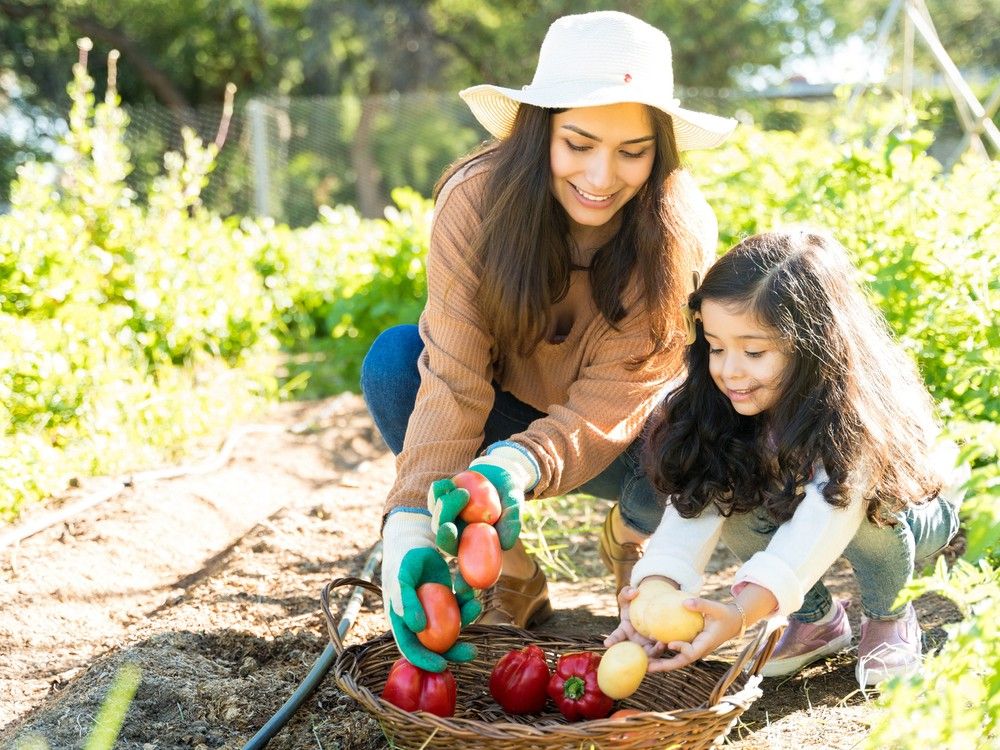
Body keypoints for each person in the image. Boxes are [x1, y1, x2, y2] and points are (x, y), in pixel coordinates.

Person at [360, 10, 738, 673]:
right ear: (541, 131)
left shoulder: (677, 232)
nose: (601, 175)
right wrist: (411, 521)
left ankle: (633, 532)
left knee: (704, 409)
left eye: (632, 151)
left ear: (660, 149)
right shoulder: (476, 201)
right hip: (504, 407)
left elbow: (620, 392)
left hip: (622, 436)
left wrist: (515, 466)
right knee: (395, 365)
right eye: (579, 142)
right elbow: (452, 373)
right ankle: (506, 565)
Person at [605, 229, 966, 688]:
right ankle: (817, 620)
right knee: (732, 494)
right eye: (716, 347)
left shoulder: (853, 417)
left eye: (753, 351)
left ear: (812, 347)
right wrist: (657, 588)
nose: (729, 369)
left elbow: (828, 515)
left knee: (872, 510)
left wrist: (739, 613)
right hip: (801, 499)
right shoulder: (722, 404)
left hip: (909, 514)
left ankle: (889, 614)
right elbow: (695, 506)